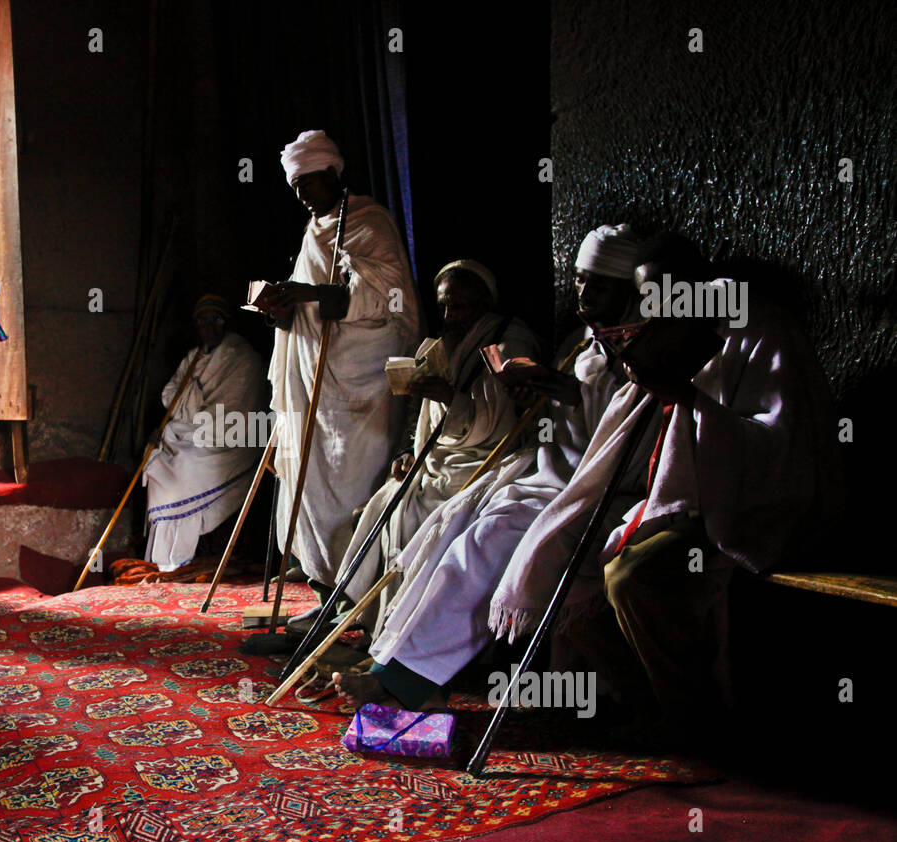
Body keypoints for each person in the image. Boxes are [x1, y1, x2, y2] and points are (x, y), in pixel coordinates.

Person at [500, 235, 843, 745]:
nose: (657, 308)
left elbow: (777, 449)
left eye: (667, 295)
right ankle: (642, 702)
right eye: (649, 298)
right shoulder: (674, 331)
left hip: (756, 510)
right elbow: (626, 431)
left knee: (631, 576)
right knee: (563, 559)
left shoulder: (759, 329)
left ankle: (693, 718)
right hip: (680, 500)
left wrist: (688, 397)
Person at [335, 224, 643, 709]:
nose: (583, 293)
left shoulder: (642, 354)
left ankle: (410, 679)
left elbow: (629, 448)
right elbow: (542, 425)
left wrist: (567, 397)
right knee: (446, 527)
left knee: (484, 541)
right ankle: (390, 659)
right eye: (580, 281)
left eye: (598, 285)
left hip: (590, 489)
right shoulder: (581, 344)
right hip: (540, 472)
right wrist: (537, 398)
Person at [247, 130, 419, 653]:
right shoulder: (313, 230)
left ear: (335, 174)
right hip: (312, 385)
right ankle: (326, 597)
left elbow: (384, 297)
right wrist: (282, 308)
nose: (302, 193)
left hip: (358, 384)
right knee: (313, 490)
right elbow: (311, 306)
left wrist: (305, 294)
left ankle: (354, 608)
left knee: (351, 489)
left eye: (310, 181)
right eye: (295, 185)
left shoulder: (370, 221)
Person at [324, 259, 541, 634]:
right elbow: (425, 425)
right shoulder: (442, 345)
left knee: (416, 516)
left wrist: (448, 397)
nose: (448, 314)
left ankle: (410, 631)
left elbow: (491, 427)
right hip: (438, 463)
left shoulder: (509, 342)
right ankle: (372, 619)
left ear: (484, 305)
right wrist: (409, 452)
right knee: (383, 505)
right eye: (443, 305)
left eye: (459, 306)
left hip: (486, 464)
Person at [141, 295, 268, 571]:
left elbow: (233, 413)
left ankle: (179, 555)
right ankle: (164, 556)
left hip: (233, 439)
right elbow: (170, 396)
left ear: (226, 323)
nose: (208, 326)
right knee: (158, 460)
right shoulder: (193, 357)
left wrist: (190, 402)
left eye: (215, 319)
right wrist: (179, 418)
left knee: (185, 465)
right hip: (195, 431)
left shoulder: (241, 358)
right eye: (202, 321)